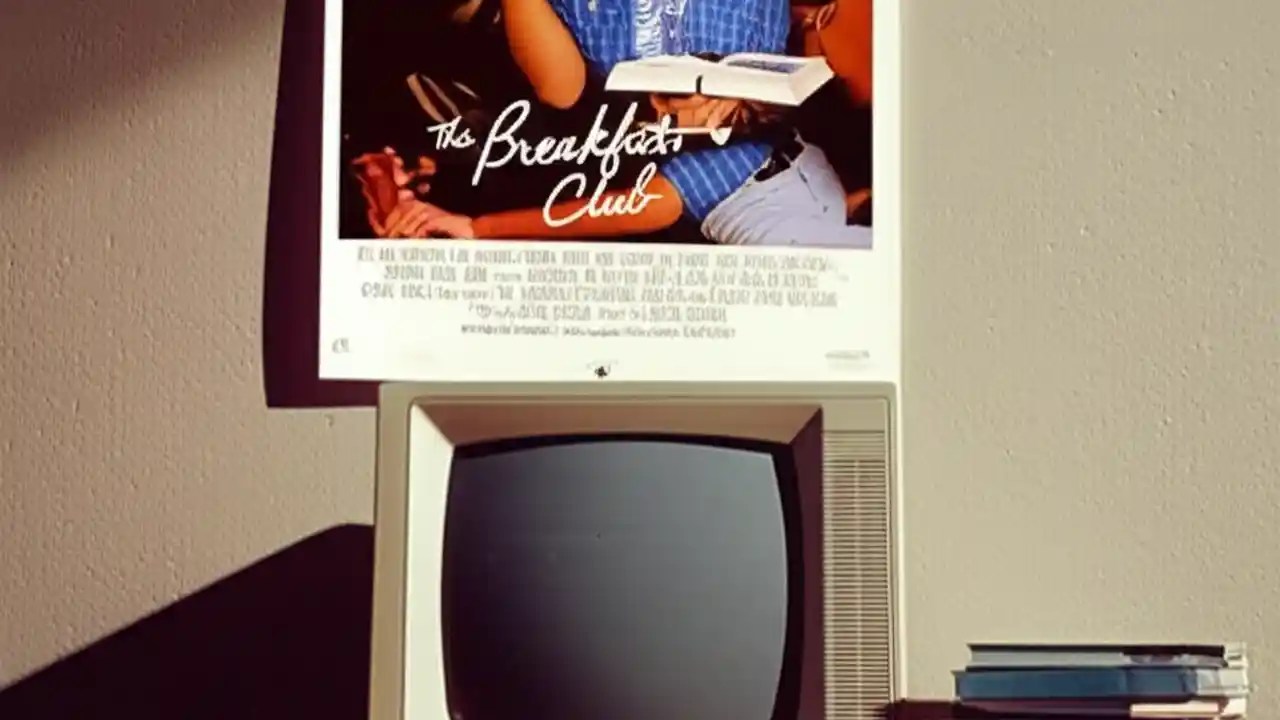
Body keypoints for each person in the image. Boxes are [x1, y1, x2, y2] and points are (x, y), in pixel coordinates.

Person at [376, 0, 871, 248]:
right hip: (758, 198)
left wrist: (743, 92)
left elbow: (799, 59)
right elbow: (561, 86)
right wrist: (480, 230)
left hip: (795, 172)